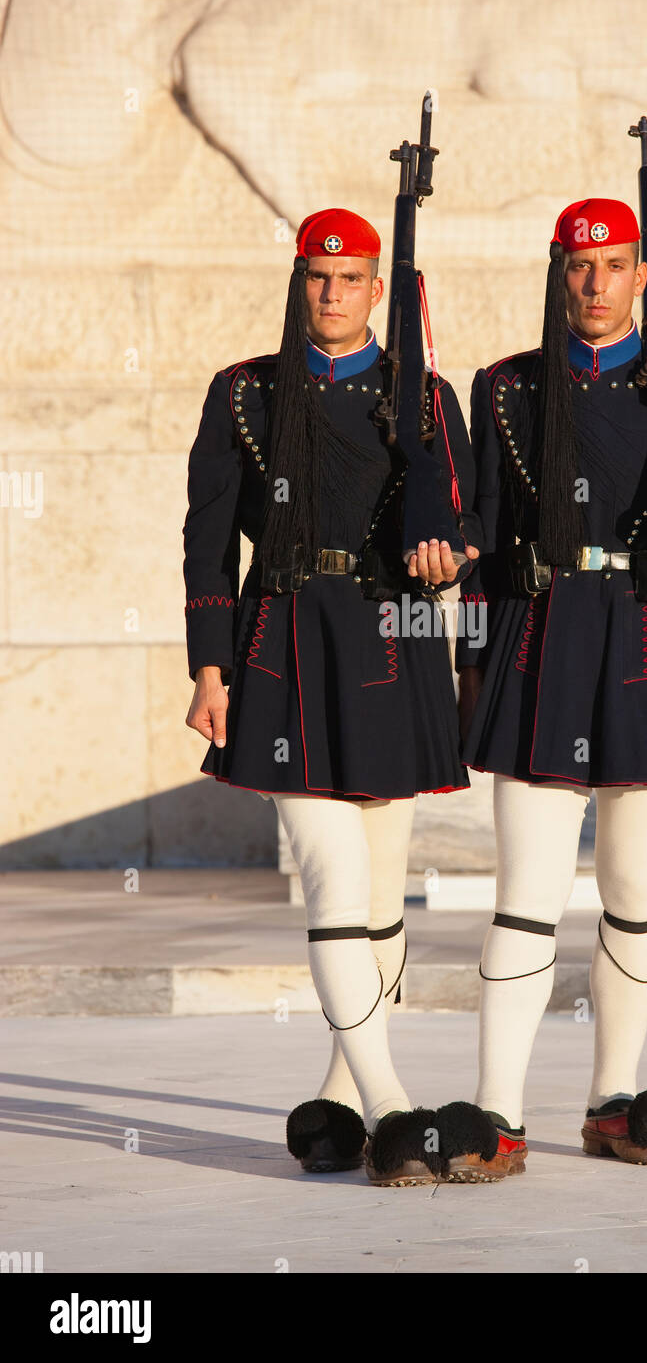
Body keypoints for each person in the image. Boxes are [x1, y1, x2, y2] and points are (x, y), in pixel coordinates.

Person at [183, 207, 504, 1185]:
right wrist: (208, 666)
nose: (331, 294)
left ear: (377, 288)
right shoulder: (243, 394)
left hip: (392, 636)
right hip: (280, 636)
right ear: (298, 282)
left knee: (376, 893)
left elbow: (458, 526)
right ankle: (393, 1108)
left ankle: (335, 1098)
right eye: (317, 277)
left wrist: (459, 609)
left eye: (350, 278)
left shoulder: (419, 396)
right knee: (330, 880)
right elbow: (204, 537)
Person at [456, 197, 647, 1168]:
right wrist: (464, 664)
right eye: (578, 266)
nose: (593, 284)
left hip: (642, 634)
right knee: (525, 892)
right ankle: (496, 1112)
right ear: (558, 270)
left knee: (633, 889)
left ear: (641, 275)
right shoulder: (504, 388)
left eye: (613, 266)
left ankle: (611, 1099)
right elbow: (486, 548)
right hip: (541, 637)